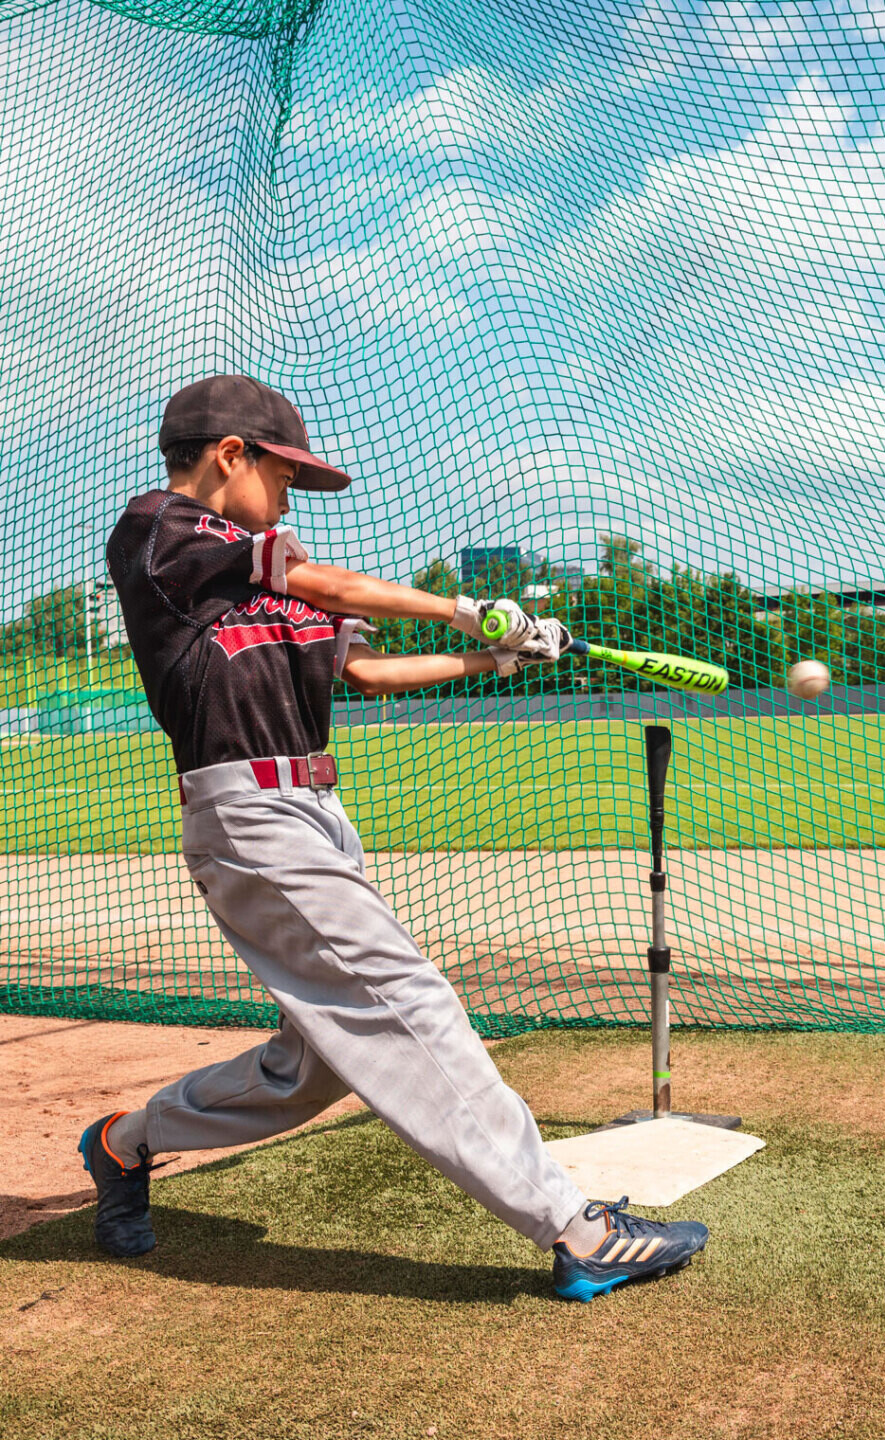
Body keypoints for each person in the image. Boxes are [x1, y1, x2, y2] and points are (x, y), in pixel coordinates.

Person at [82, 374, 708, 1302]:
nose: (290, 496)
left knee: (310, 1070)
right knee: (406, 999)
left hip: (318, 815)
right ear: (229, 456)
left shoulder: (265, 563)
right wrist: (463, 607)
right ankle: (575, 1229)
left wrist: (491, 657)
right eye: (283, 475)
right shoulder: (162, 532)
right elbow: (321, 582)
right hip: (247, 813)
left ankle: (123, 1142)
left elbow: (365, 670)